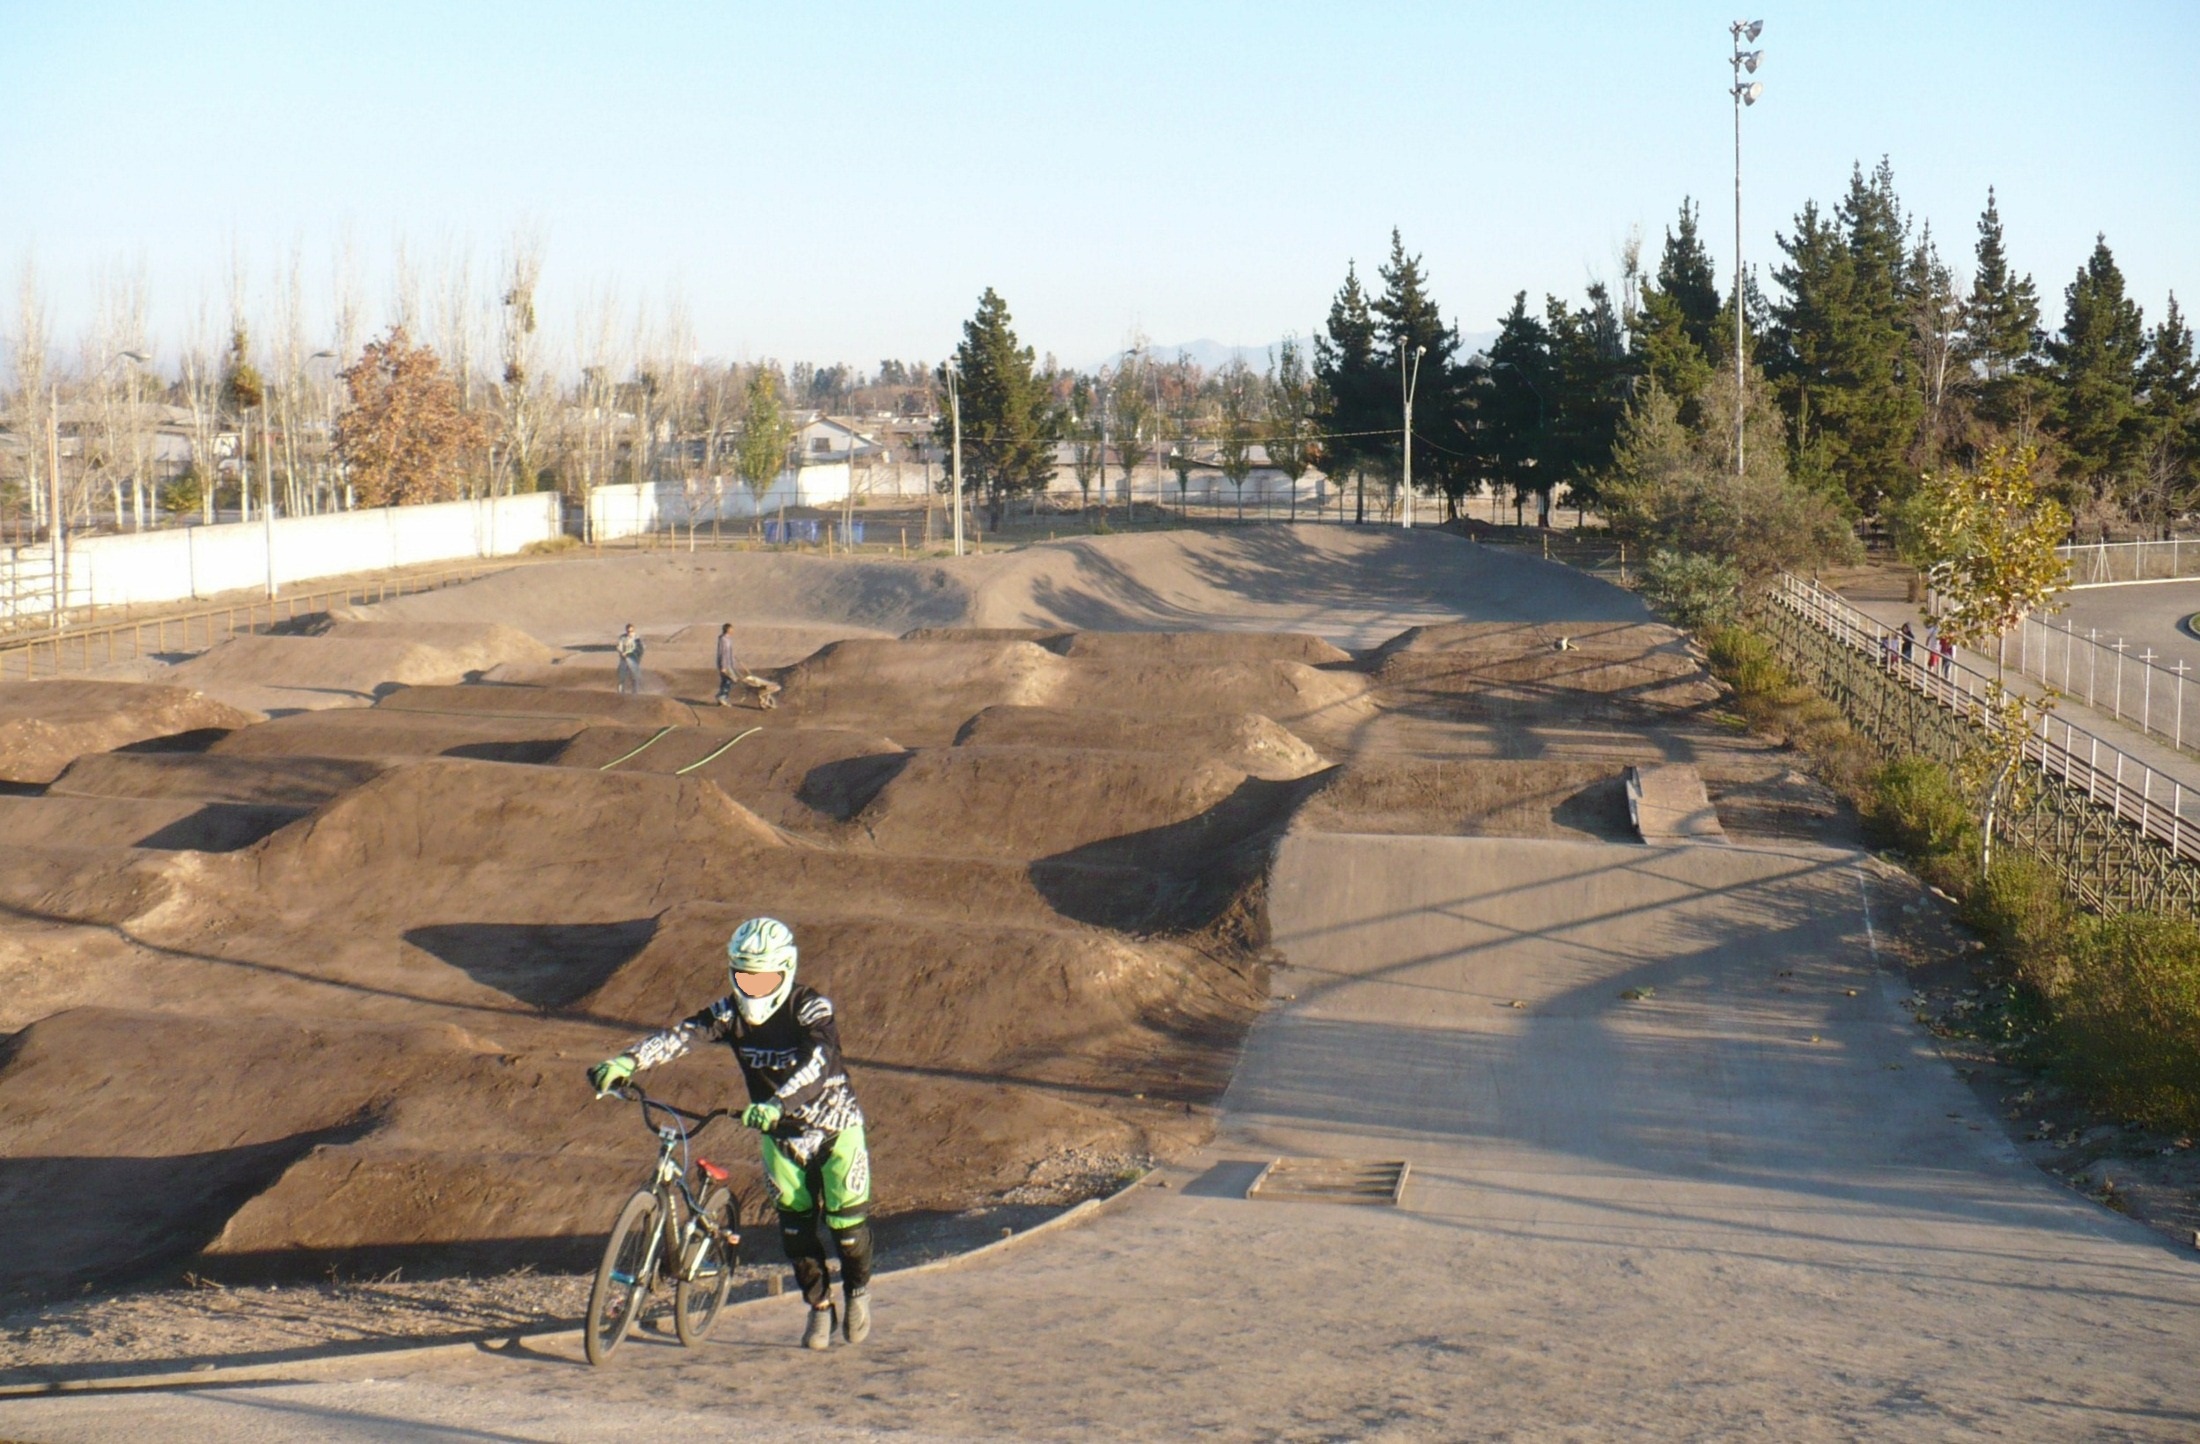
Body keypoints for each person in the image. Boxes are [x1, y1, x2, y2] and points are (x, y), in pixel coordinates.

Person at [588, 918, 872, 1351]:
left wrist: (777, 1103)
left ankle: (857, 1291)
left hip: (836, 1128)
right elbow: (683, 1035)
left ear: (786, 970)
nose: (754, 989)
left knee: (846, 1229)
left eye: (764, 979)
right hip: (780, 1136)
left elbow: (818, 1062)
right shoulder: (729, 1013)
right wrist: (628, 1061)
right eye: (745, 978)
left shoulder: (811, 1008)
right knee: (796, 1235)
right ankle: (819, 1307)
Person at [715, 622, 780, 710]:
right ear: (728, 630)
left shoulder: (728, 639)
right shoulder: (723, 640)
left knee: (727, 680)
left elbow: (728, 652)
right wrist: (723, 666)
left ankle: (722, 697)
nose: (733, 630)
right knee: (730, 680)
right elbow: (723, 653)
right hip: (726, 664)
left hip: (729, 664)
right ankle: (722, 697)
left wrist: (733, 658)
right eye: (732, 629)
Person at [615, 624, 645, 695]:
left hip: (633, 660)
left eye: (631, 631)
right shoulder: (623, 637)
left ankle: (635, 693)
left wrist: (628, 653)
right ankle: (620, 694)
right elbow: (619, 646)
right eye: (628, 631)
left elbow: (638, 648)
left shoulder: (637, 638)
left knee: (634, 677)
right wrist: (621, 652)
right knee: (621, 677)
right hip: (624, 660)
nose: (630, 633)